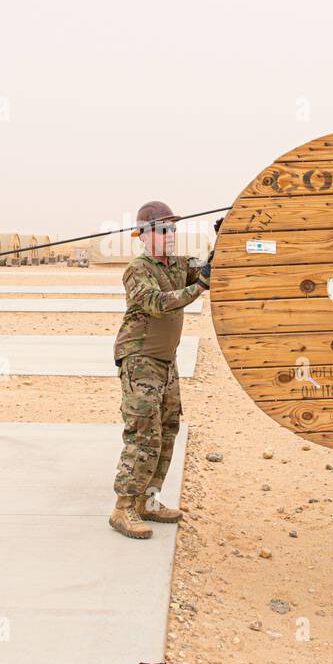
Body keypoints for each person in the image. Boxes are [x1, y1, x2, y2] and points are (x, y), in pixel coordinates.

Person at [109, 201, 213, 539]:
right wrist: (199, 287)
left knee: (168, 428)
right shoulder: (138, 269)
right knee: (143, 433)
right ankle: (123, 507)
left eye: (173, 229)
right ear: (145, 235)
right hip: (140, 360)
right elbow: (158, 303)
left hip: (166, 361)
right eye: (163, 230)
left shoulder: (179, 264)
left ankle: (148, 500)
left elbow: (213, 269)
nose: (170, 236)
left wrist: (223, 241)